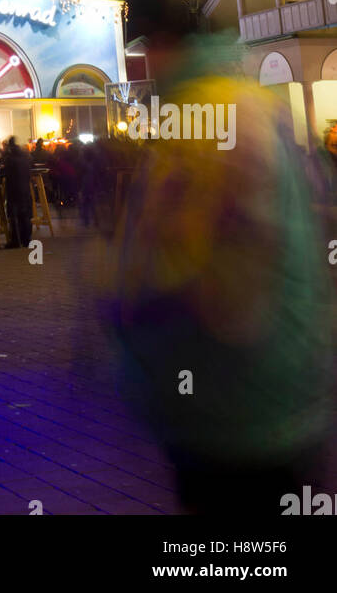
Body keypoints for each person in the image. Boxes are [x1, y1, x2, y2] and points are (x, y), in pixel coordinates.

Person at [109, 35, 335, 514]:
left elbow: (211, 274)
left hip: (232, 408)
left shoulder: (201, 115)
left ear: (156, 49)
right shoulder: (252, 103)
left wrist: (133, 314)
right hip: (283, 392)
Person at [2, 136, 33, 248]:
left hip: (13, 190)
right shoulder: (25, 157)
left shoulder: (10, 158)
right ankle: (27, 240)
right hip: (25, 188)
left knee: (13, 215)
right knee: (25, 214)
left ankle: (15, 241)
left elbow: (5, 172)